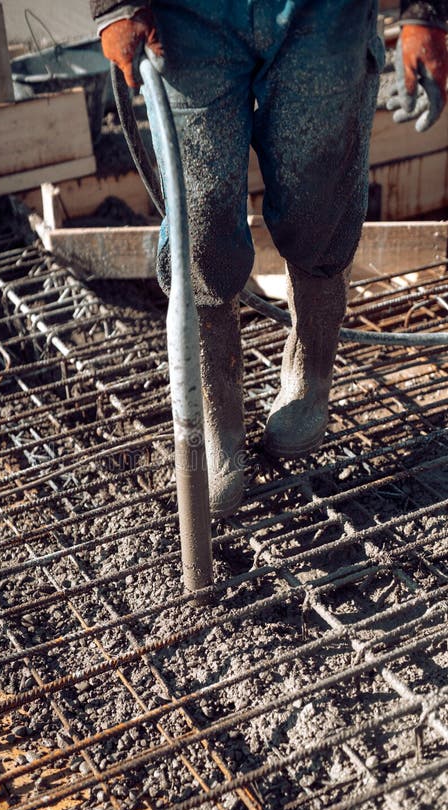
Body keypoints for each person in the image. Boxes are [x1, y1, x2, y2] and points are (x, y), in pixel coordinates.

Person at [92, 1, 448, 517]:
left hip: (325, 12)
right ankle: (219, 420)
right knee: (201, 215)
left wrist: (427, 14)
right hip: (187, 17)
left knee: (319, 195)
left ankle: (310, 368)